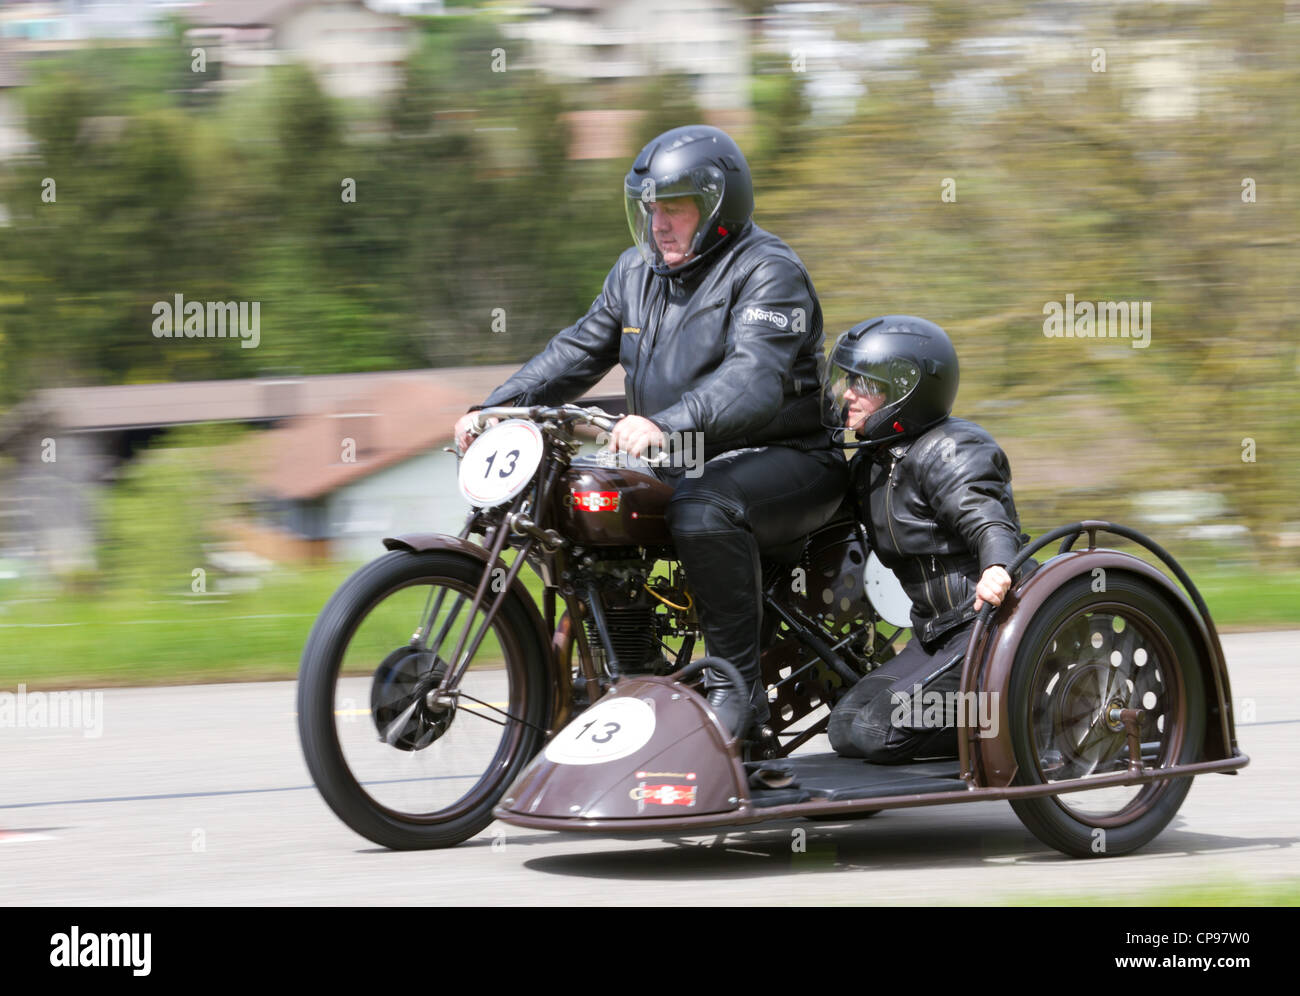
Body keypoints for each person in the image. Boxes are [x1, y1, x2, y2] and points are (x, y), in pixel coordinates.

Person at [453, 125, 847, 738]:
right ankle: (629, 673)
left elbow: (753, 380)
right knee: (588, 502)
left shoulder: (769, 272)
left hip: (786, 457)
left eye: (675, 209)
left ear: (717, 209)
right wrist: (497, 408)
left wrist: (668, 423)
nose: (659, 224)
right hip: (684, 455)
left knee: (702, 508)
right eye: (652, 210)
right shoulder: (635, 274)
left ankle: (735, 695)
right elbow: (576, 353)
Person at [822, 316, 1026, 763]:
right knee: (844, 728)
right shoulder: (870, 463)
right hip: (932, 635)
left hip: (983, 626)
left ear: (903, 392)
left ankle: (1023, 715)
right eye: (847, 381)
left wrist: (996, 567)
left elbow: (987, 519)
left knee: (878, 731)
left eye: (863, 384)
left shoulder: (951, 449)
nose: (847, 394)